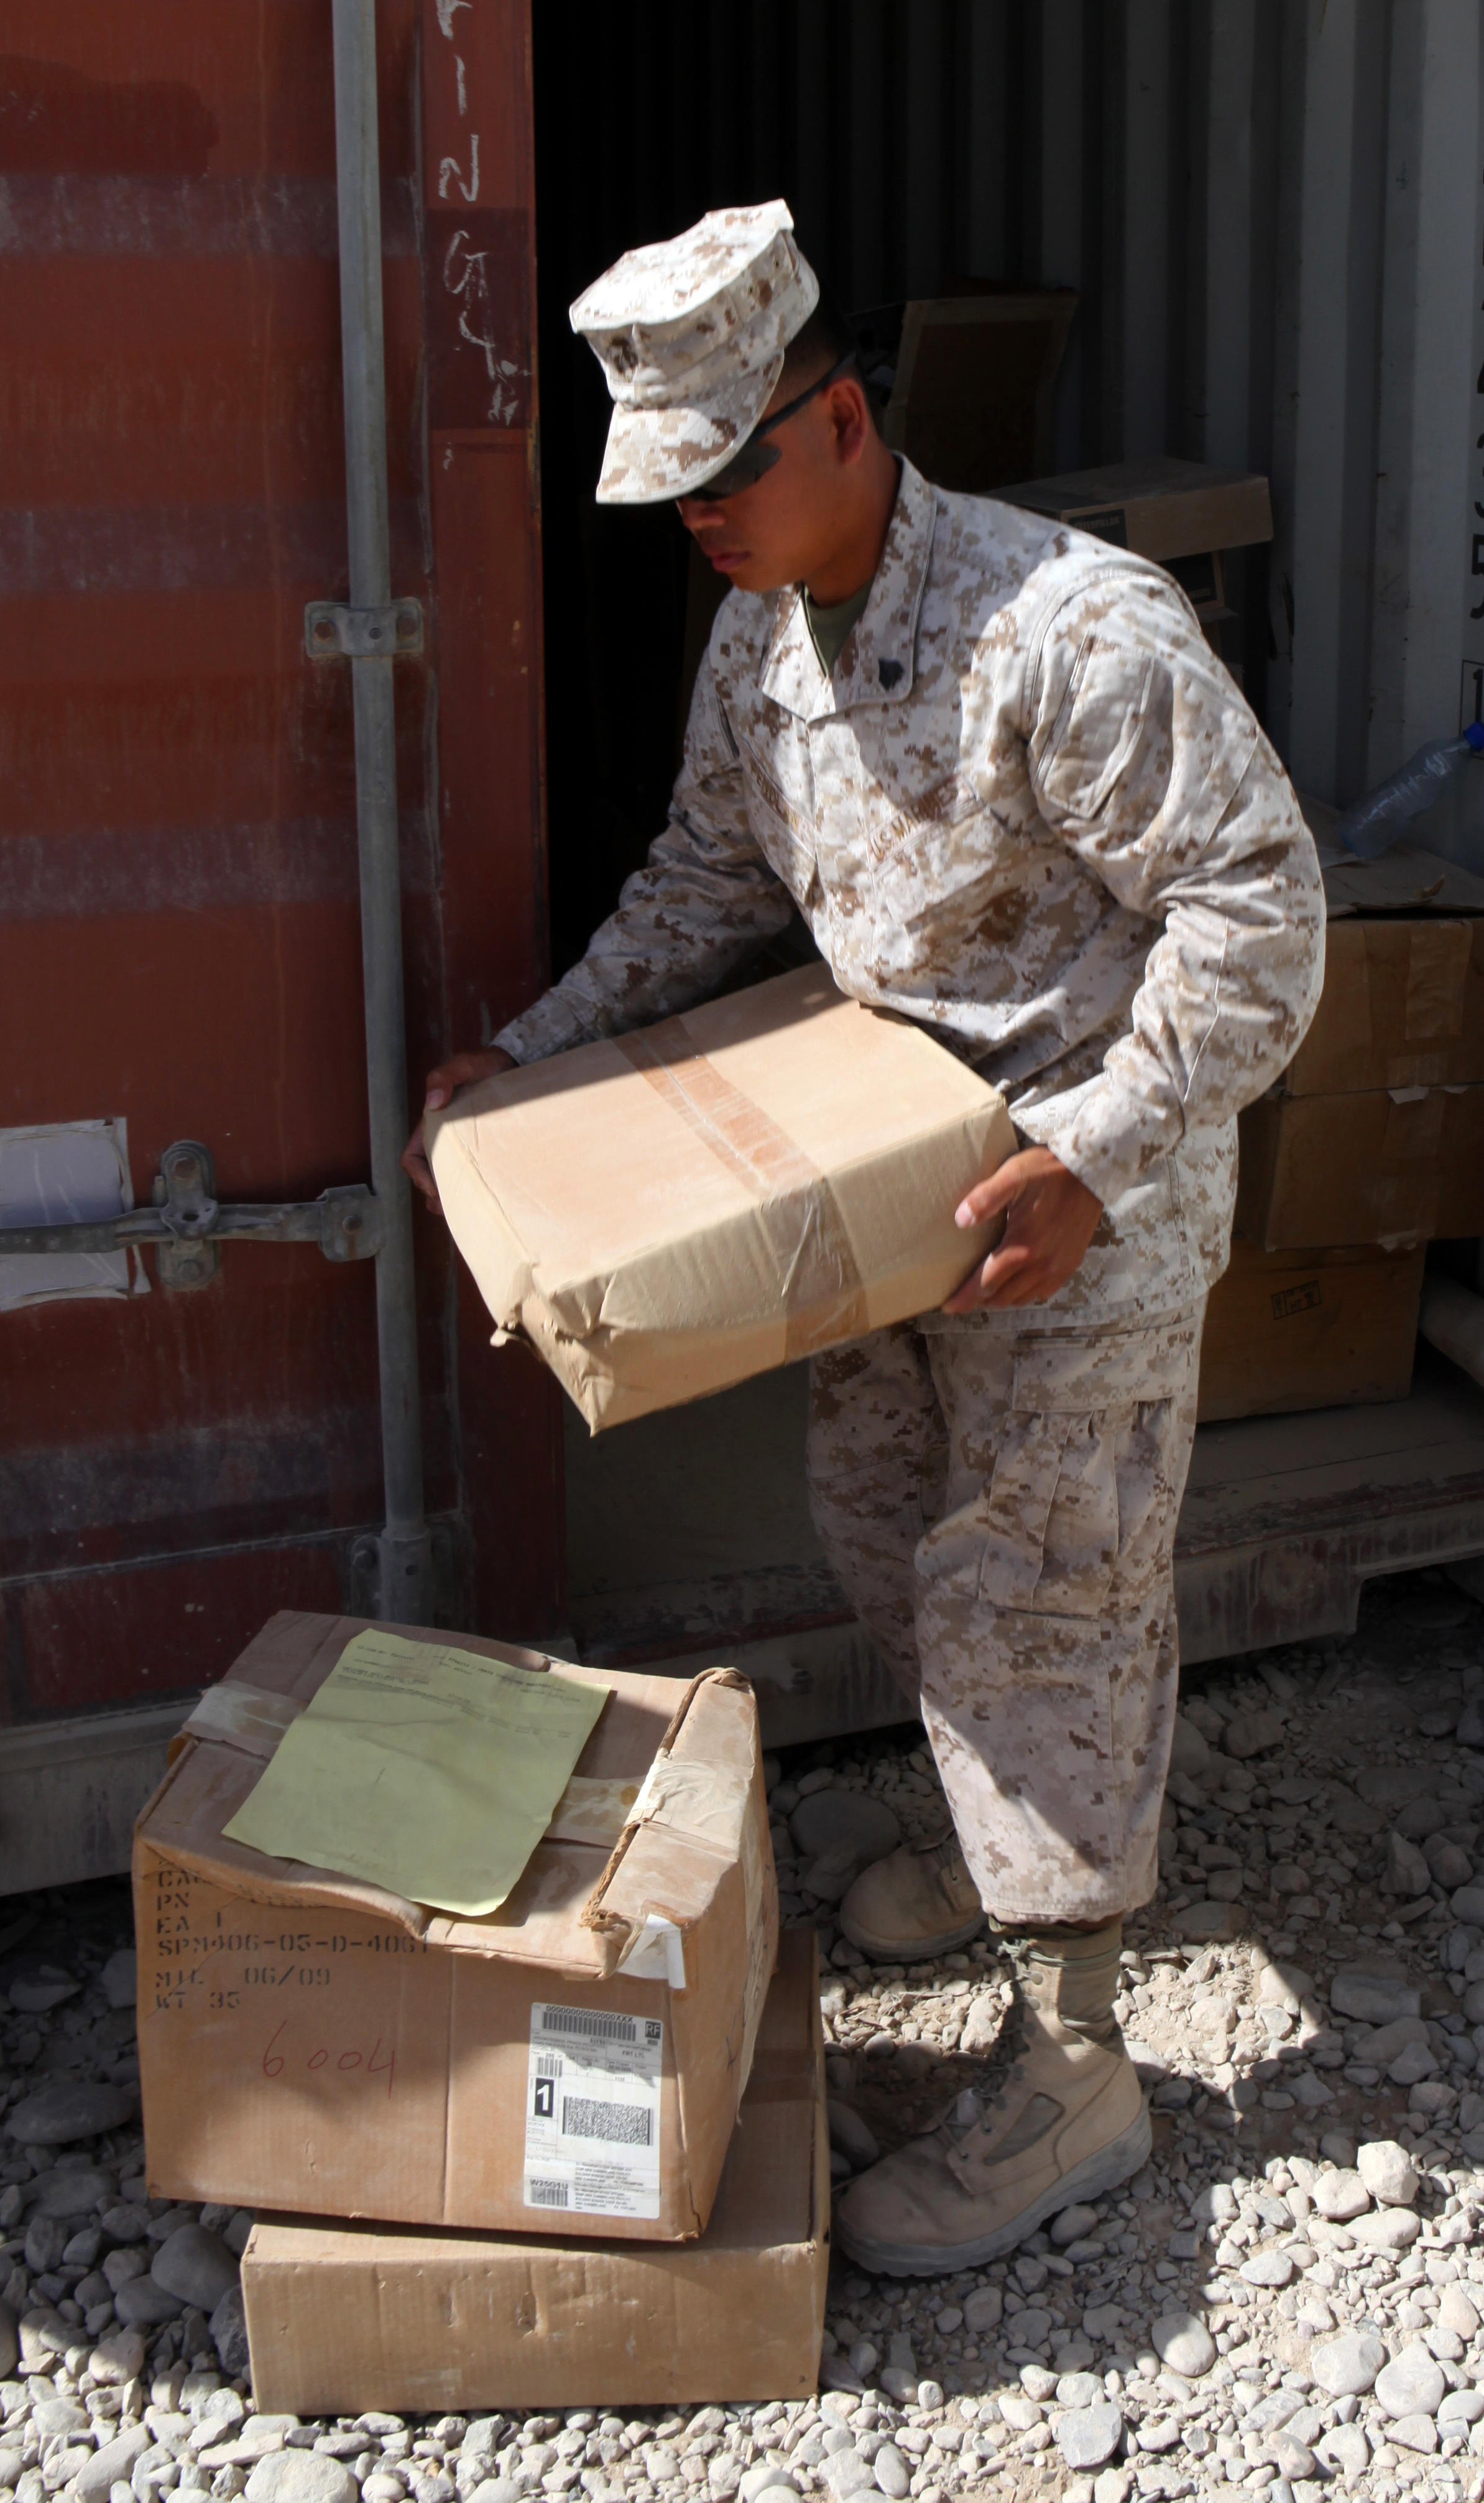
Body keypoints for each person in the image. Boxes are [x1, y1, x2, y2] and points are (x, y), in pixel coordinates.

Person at [402, 201, 1325, 2274]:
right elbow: (700, 879)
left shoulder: (1068, 632)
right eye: (671, 492)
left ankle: (1074, 2072)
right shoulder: (758, 642)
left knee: (1044, 1597)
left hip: (1081, 1211)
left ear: (839, 419)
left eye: (723, 473)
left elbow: (1263, 928)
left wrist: (1088, 1153)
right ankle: (988, 1853)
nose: (696, 520)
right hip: (891, 1197)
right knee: (884, 1530)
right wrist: (529, 1060)